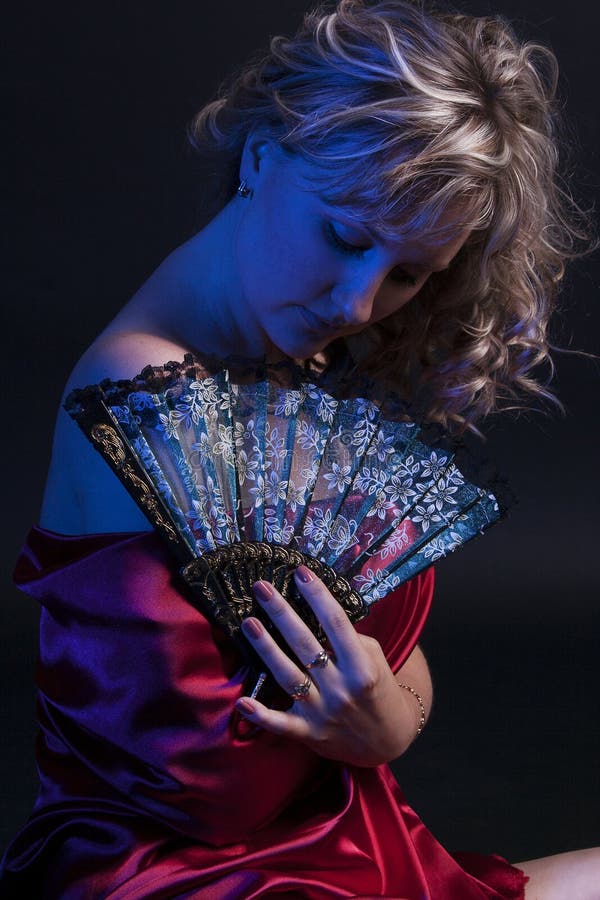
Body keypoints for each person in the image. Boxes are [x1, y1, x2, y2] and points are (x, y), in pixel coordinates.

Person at [1, 0, 597, 896]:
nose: (359, 304)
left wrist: (386, 717)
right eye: (345, 235)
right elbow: (211, 788)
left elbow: (369, 664)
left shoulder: (296, 355)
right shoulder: (139, 400)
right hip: (190, 876)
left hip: (339, 841)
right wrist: (379, 715)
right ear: (261, 157)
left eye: (406, 273)